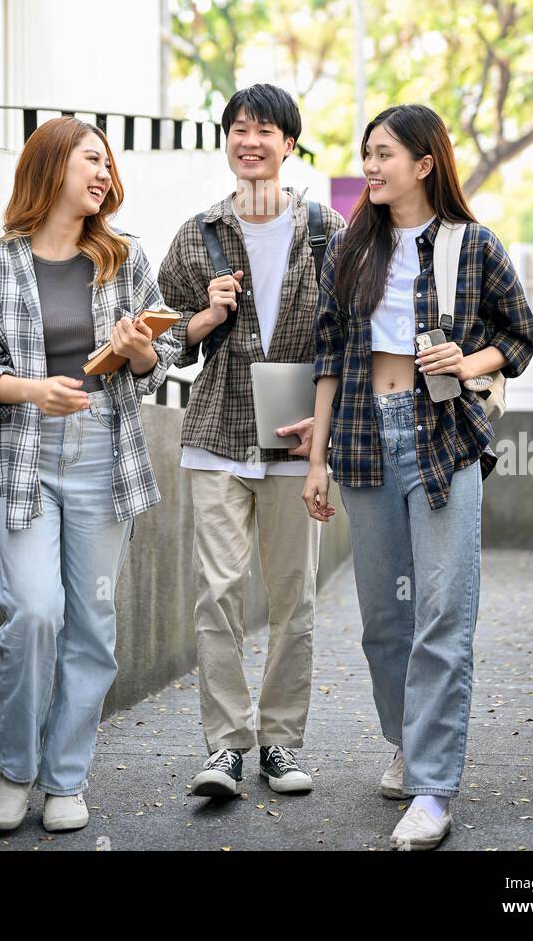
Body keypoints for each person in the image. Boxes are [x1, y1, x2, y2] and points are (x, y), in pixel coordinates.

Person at [304, 103, 533, 850]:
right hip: (367, 438)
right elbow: (331, 353)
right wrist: (316, 459)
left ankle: (434, 787)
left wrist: (468, 363)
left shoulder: (474, 245)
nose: (369, 168)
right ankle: (409, 740)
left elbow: (518, 333)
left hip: (443, 439)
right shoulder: (350, 249)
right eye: (365, 154)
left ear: (425, 164)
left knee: (443, 614)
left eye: (382, 154)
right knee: (383, 623)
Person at [0, 116, 180, 834]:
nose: (104, 174)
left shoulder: (124, 256)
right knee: (32, 613)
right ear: (52, 166)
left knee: (92, 622)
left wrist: (136, 349)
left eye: (108, 166)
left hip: (102, 456)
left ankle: (65, 779)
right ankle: (14, 772)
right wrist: (33, 389)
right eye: (92, 159)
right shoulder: (0, 265)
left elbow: (164, 361)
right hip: (25, 457)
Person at [158, 84, 345, 798]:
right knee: (217, 593)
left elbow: (347, 341)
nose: (250, 141)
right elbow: (161, 342)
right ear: (228, 142)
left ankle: (280, 743)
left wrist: (324, 441)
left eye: (265, 130)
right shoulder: (199, 233)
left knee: (293, 595)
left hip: (296, 432)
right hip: (217, 430)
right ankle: (226, 748)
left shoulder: (326, 230)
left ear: (289, 144)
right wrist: (205, 317)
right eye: (239, 129)